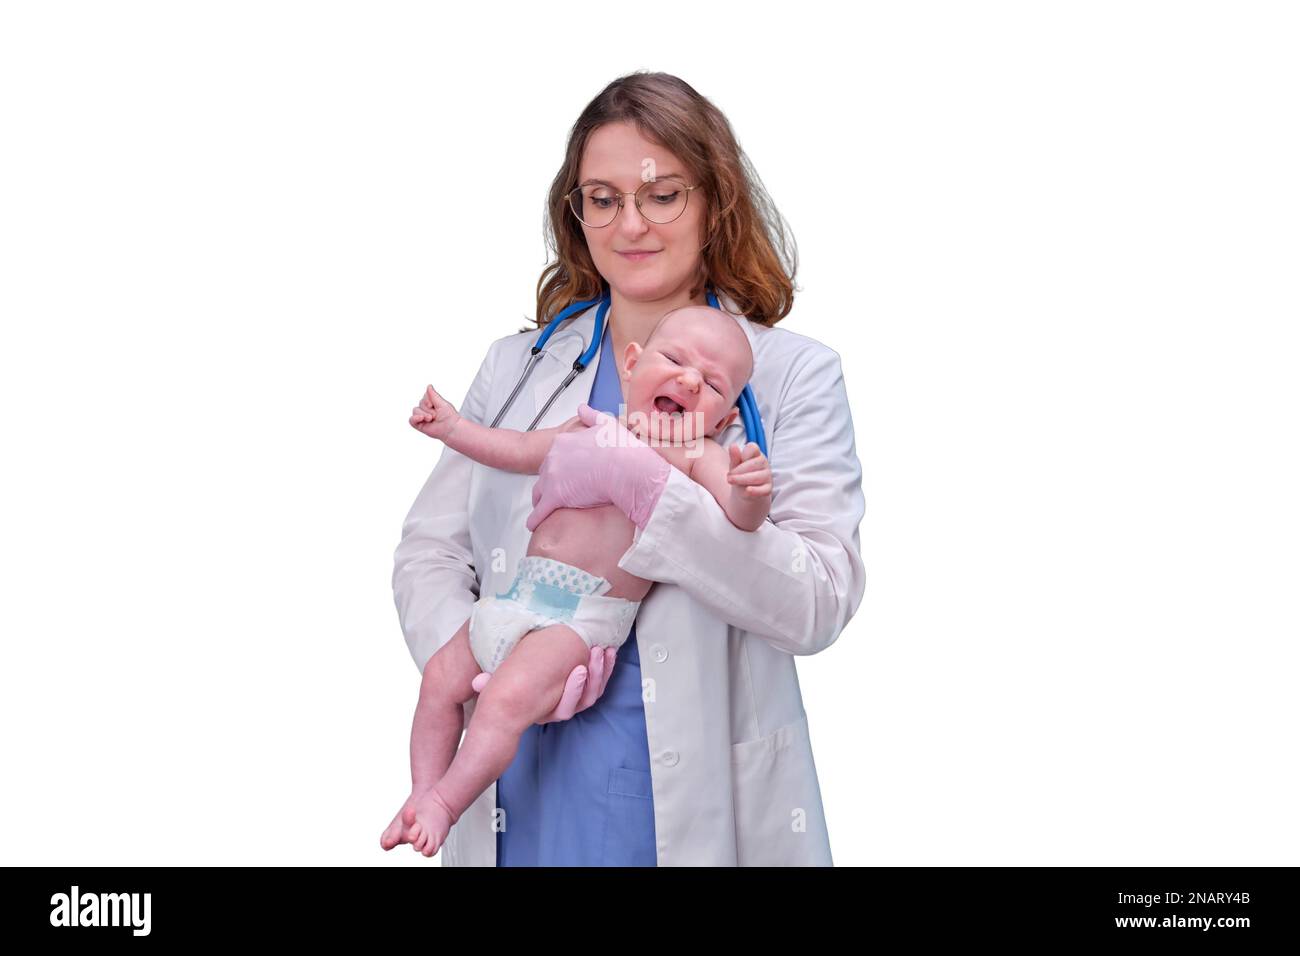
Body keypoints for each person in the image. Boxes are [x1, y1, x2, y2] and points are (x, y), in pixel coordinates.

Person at [392, 71, 866, 866]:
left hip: (690, 794)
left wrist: (658, 495)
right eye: (602, 198)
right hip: (519, 769)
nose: (630, 224)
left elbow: (819, 598)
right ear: (576, 216)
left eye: (663, 195)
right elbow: (430, 551)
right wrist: (484, 657)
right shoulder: (519, 366)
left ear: (714, 203)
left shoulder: (791, 375)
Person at [382, 306, 769, 857]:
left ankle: (446, 803)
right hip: (517, 595)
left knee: (504, 704)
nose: (688, 380)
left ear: (725, 416)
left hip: (580, 618)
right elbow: (515, 451)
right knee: (440, 678)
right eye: (675, 360)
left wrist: (752, 495)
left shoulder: (693, 452)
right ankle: (422, 791)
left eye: (710, 384)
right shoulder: (588, 425)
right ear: (633, 364)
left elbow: (738, 515)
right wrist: (455, 429)